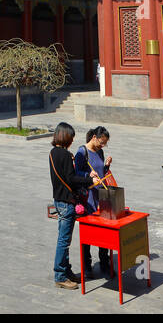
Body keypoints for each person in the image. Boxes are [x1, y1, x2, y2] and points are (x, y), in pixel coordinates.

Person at [48, 122, 104, 289]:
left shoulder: (53, 153)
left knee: (64, 239)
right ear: (65, 137)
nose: (72, 140)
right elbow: (71, 178)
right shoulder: (64, 155)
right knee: (64, 241)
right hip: (66, 202)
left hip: (58, 199)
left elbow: (64, 177)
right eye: (71, 137)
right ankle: (60, 275)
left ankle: (66, 270)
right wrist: (89, 179)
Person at [74, 126, 115, 279]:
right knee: (88, 235)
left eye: (105, 143)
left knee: (104, 234)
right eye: (101, 142)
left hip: (100, 198)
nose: (102, 146)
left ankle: (104, 264)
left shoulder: (100, 152)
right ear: (94, 138)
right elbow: (75, 174)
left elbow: (101, 173)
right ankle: (87, 267)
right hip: (88, 200)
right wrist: (87, 174)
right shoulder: (82, 152)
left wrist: (106, 166)